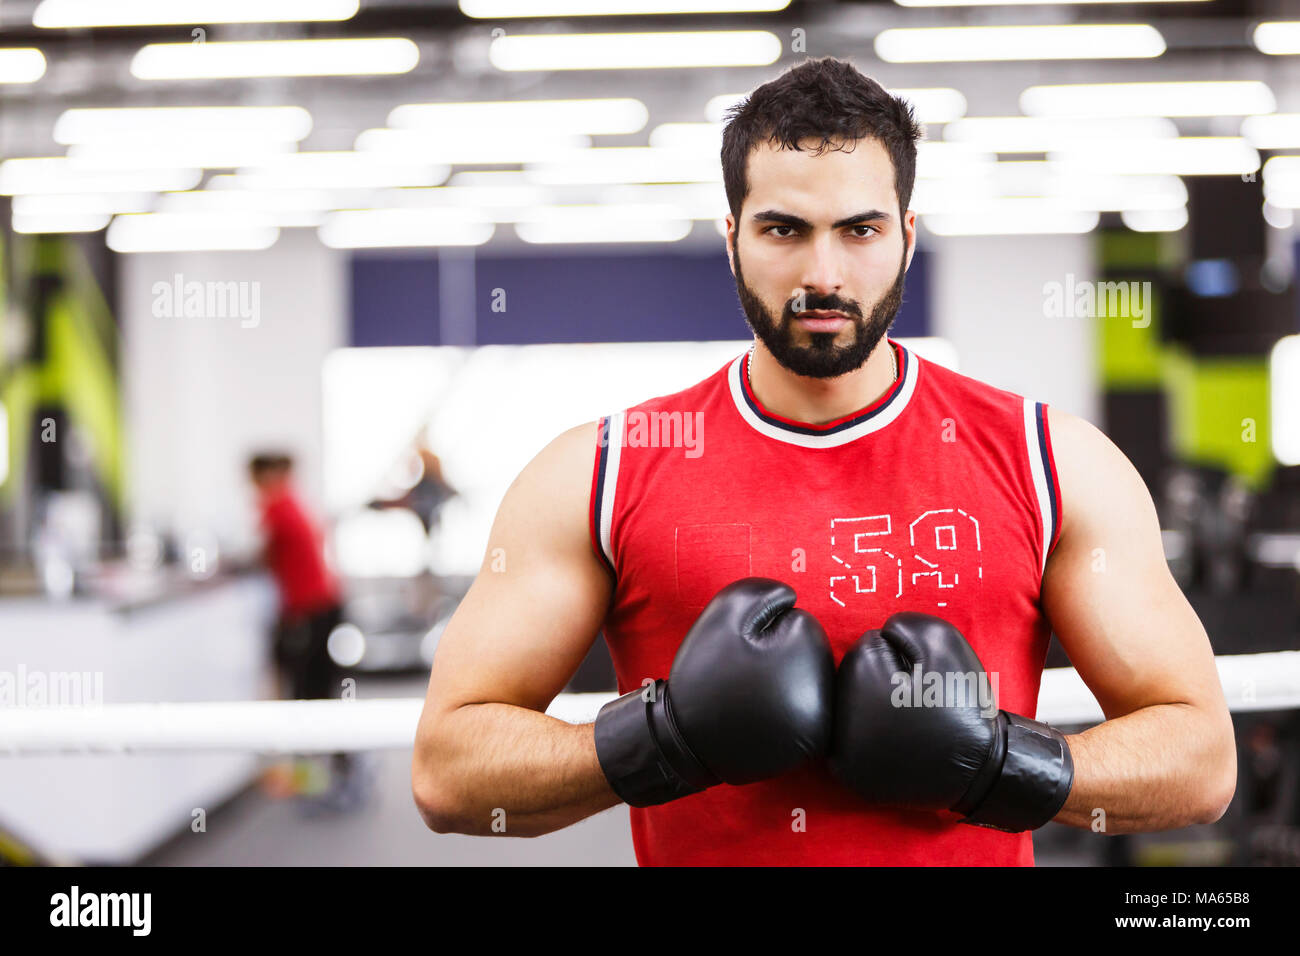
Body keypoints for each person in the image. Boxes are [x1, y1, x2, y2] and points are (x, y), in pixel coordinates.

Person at [411, 56, 1236, 865]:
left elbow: (1200, 761)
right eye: (783, 229)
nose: (822, 274)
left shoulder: (1048, 461)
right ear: (733, 238)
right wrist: (663, 737)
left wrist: (999, 765)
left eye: (860, 229)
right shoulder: (600, 473)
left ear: (907, 238)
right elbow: (450, 774)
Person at [249, 453, 361, 810]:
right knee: (318, 689)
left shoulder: (277, 505)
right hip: (323, 605)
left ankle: (324, 774)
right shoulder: (292, 501)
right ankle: (335, 770)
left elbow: (265, 556)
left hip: (310, 611)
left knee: (307, 692)